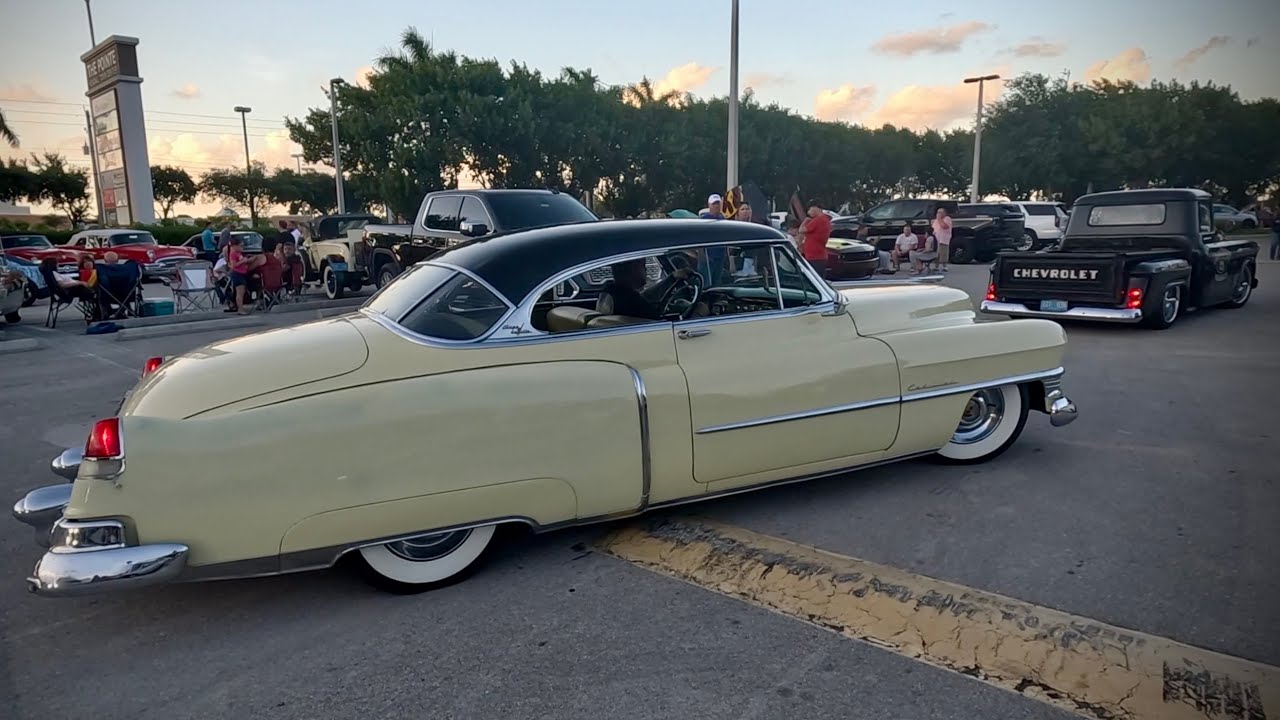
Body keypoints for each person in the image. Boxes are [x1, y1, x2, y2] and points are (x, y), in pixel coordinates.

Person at [597, 259, 692, 320]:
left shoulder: (613, 291)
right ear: (633, 269)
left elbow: (644, 296)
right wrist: (699, 312)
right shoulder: (631, 302)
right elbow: (658, 320)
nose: (646, 270)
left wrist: (671, 278)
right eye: (643, 265)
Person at [799, 201, 833, 278]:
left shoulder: (817, 220)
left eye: (809, 209)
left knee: (814, 278)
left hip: (814, 257)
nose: (808, 212)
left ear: (815, 208)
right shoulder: (824, 219)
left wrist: (805, 221)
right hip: (817, 255)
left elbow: (801, 230)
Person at [226, 235, 251, 315]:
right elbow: (234, 265)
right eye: (241, 246)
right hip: (237, 274)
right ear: (234, 246)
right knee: (240, 292)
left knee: (242, 292)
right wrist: (243, 261)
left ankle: (241, 307)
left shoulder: (239, 253)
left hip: (242, 273)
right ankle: (240, 309)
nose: (242, 248)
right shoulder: (233, 254)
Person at [932, 206, 953, 272]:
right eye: (938, 212)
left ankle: (945, 266)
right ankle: (936, 266)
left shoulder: (947, 218)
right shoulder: (936, 220)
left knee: (943, 253)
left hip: (944, 239)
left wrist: (939, 219)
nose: (939, 214)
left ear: (944, 213)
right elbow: (935, 228)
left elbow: (944, 226)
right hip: (937, 239)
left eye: (941, 212)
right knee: (937, 253)